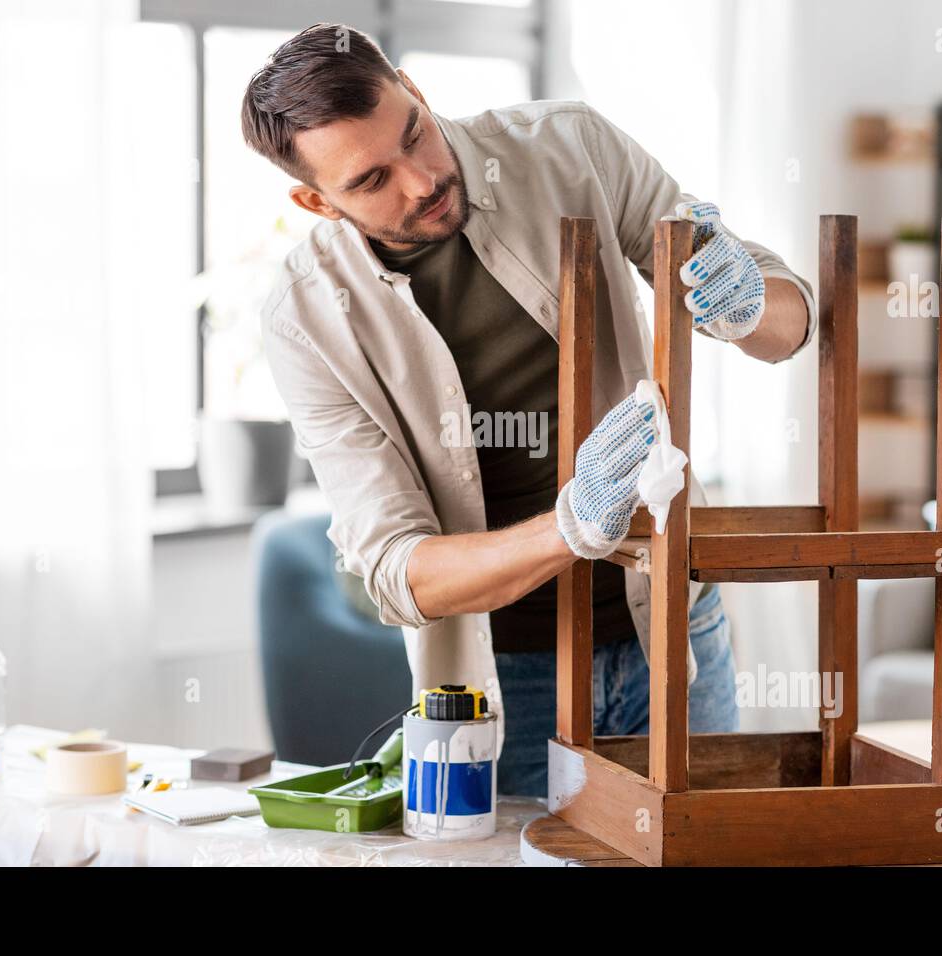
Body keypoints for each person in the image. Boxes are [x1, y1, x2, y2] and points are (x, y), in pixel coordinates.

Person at [242, 22, 816, 797]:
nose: (419, 181)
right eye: (372, 180)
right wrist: (569, 527)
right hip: (501, 681)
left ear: (415, 91)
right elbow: (393, 569)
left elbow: (791, 327)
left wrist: (746, 305)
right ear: (316, 200)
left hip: (676, 627)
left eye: (416, 135)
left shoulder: (571, 148)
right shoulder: (306, 318)